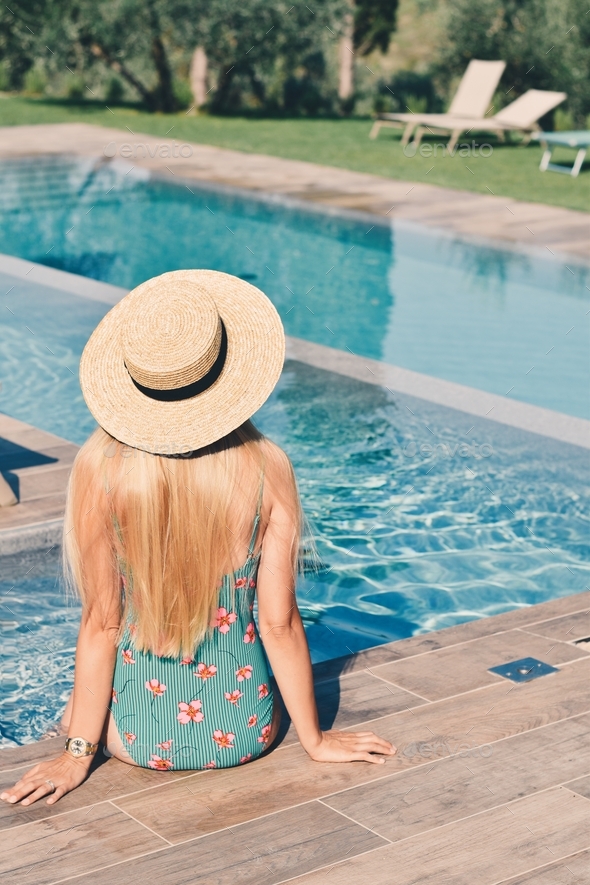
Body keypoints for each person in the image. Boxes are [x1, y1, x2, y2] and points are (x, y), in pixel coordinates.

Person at [1, 270, 395, 808]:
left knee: (72, 706)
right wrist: (316, 740)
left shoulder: (102, 469)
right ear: (227, 370)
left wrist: (75, 754)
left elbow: (102, 623)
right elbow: (278, 622)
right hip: (244, 732)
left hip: (134, 740)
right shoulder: (267, 468)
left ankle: (69, 729)